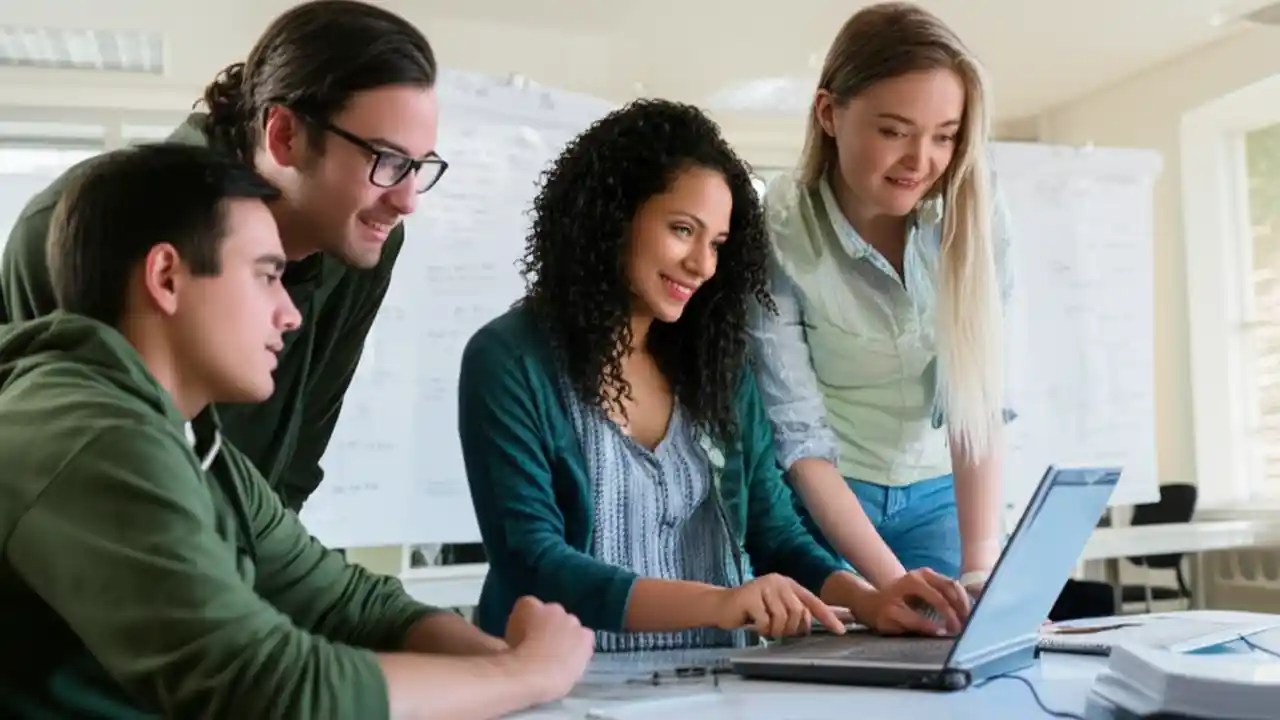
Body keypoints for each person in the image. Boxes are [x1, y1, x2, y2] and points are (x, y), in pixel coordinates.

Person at [0, 143, 593, 719]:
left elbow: (346, 604)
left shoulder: (196, 446)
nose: (291, 315)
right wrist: (523, 673)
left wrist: (502, 663)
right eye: (266, 276)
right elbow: (266, 688)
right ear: (167, 277)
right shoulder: (90, 436)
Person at [457, 98, 973, 652]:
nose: (702, 265)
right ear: (612, 216)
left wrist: (870, 599)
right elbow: (533, 560)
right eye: (683, 230)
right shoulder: (509, 359)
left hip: (716, 679)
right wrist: (718, 603)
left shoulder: (718, 363)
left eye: (717, 245)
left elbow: (776, 533)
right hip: (561, 679)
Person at [0, 0, 442, 511]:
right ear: (284, 136)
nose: (407, 200)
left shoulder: (364, 241)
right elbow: (41, 474)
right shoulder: (71, 224)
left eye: (419, 166)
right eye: (388, 160)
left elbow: (294, 469)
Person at [747, 1, 1015, 597]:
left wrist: (979, 565)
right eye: (894, 132)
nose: (920, 161)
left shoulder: (974, 210)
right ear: (829, 113)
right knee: (842, 650)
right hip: (824, 501)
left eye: (944, 136)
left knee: (964, 638)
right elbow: (798, 433)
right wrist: (891, 588)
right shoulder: (779, 228)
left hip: (945, 497)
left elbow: (977, 397)